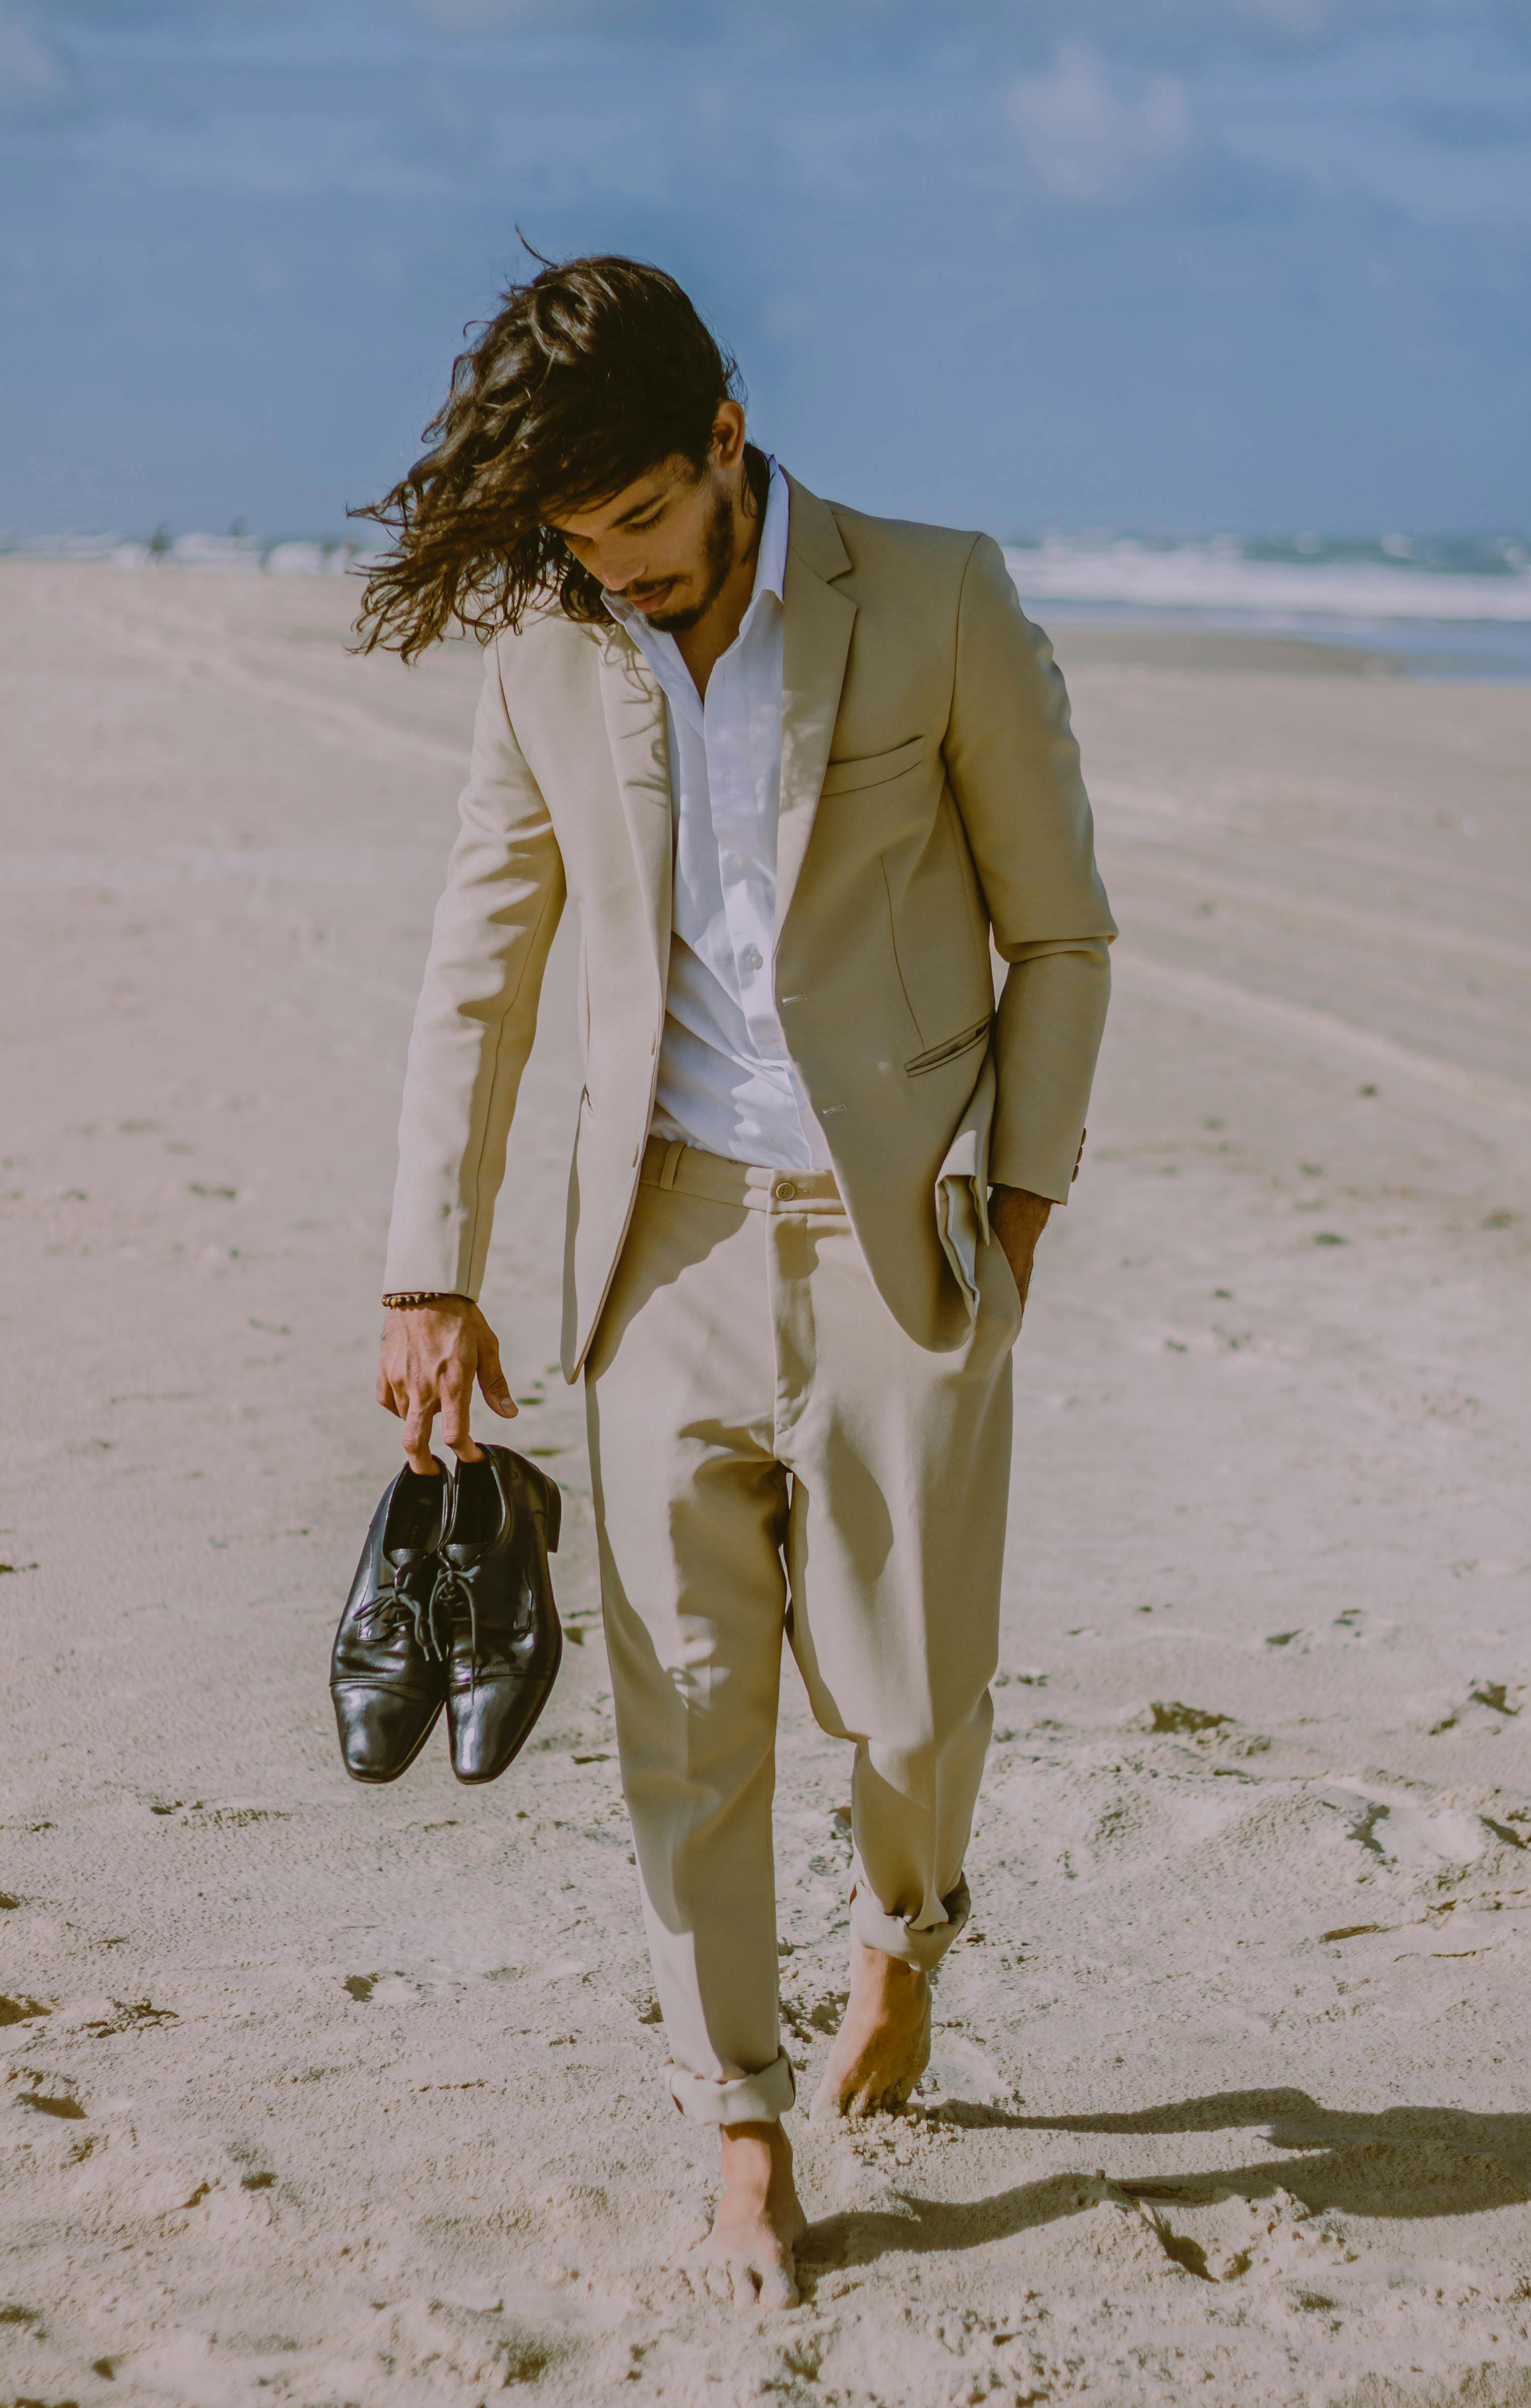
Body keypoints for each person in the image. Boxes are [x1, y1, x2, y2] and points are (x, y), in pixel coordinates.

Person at [358, 252, 1114, 2307]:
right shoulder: (546, 657)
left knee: (913, 1700)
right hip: (661, 1237)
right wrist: (429, 1269)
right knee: (684, 1713)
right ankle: (741, 2125)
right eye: (579, 540)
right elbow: (479, 972)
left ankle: (902, 1934)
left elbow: (1061, 930)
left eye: (641, 522)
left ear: (727, 435)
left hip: (902, 1240)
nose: (618, 571)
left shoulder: (936, 596)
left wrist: (1014, 1213)